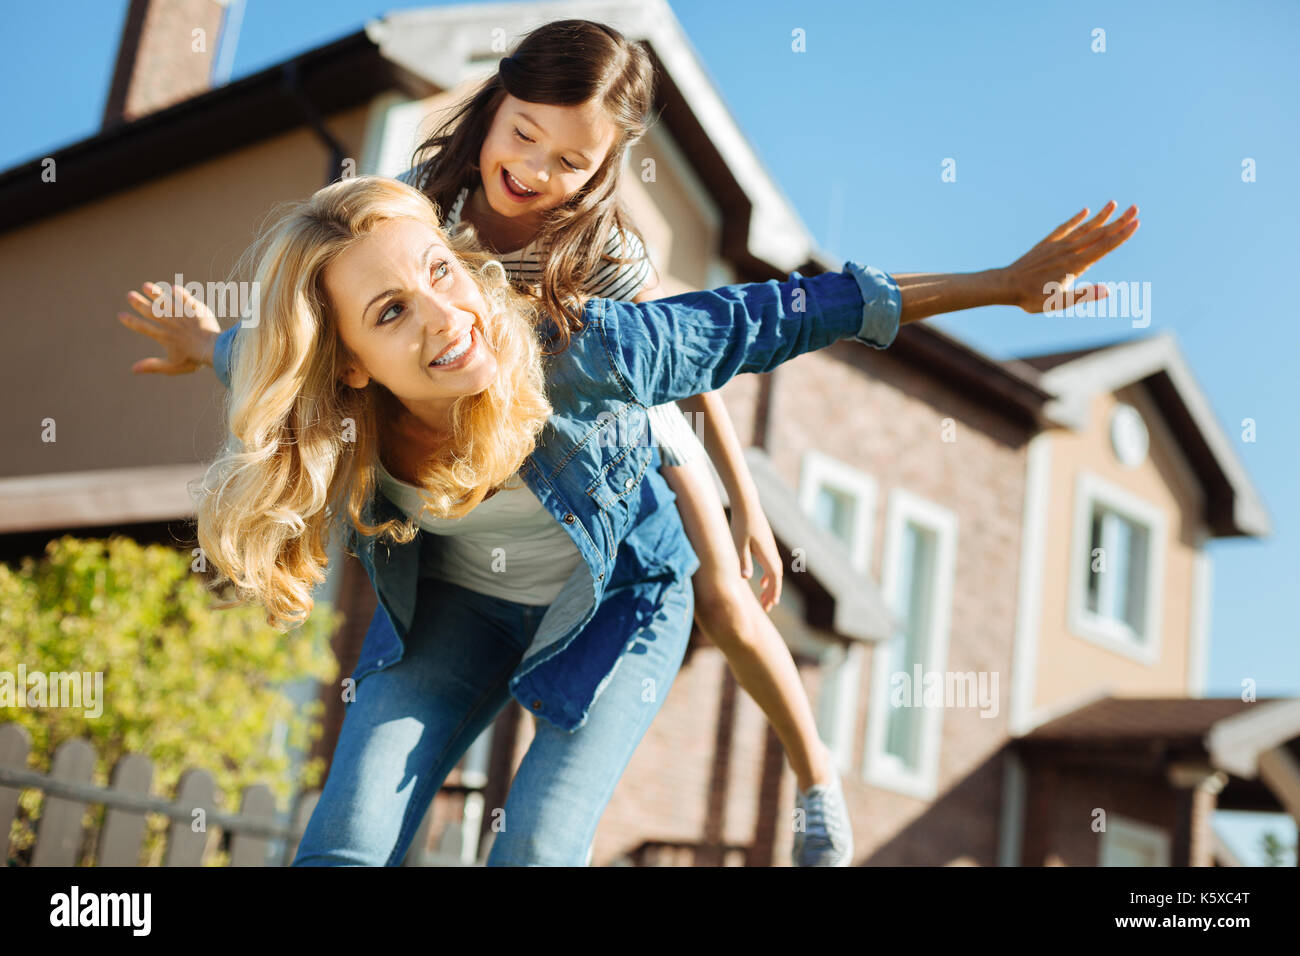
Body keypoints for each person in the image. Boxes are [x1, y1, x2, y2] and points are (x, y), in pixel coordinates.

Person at [120, 170, 1136, 866]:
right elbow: (257, 358)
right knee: (343, 839)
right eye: (389, 313)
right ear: (350, 362)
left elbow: (784, 312)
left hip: (621, 603)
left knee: (533, 849)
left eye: (438, 271)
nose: (441, 315)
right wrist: (204, 342)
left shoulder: (585, 348)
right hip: (453, 616)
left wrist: (998, 285)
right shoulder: (343, 412)